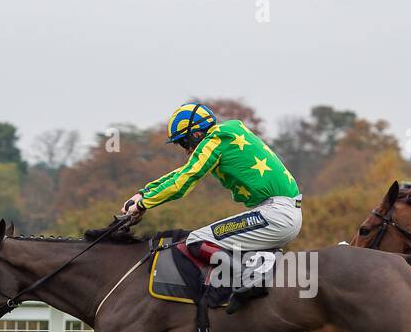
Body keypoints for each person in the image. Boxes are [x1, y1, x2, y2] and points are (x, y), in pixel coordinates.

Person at [120, 102, 302, 312]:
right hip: (279, 212)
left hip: (275, 214)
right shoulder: (227, 133)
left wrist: (144, 203)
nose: (186, 150)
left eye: (184, 142)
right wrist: (143, 192)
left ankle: (242, 276)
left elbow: (183, 182)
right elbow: (184, 171)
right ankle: (261, 263)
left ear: (197, 134)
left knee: (197, 240)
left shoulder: (216, 140)